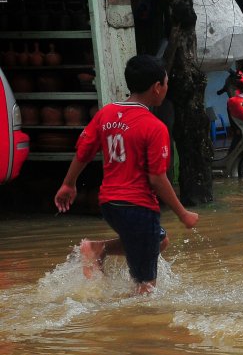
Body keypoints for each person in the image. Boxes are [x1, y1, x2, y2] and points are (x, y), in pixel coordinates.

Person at [54, 54, 199, 294]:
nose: (166, 89)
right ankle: (137, 325)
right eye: (166, 84)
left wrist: (68, 184)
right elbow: (157, 178)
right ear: (157, 88)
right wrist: (182, 213)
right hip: (138, 208)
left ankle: (98, 248)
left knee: (160, 240)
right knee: (146, 291)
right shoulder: (154, 127)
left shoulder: (106, 114)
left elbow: (84, 152)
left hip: (109, 205)